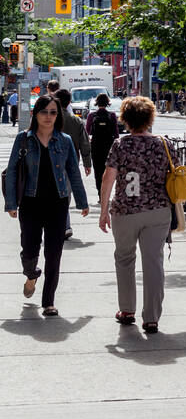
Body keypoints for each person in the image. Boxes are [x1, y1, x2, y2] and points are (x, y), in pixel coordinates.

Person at [4, 94, 89, 315]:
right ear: (35, 114)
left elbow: (73, 172)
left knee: (54, 253)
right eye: (44, 112)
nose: (49, 117)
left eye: (53, 112)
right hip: (30, 204)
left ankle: (49, 301)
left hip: (57, 204)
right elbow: (12, 171)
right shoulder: (24, 139)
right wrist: (11, 203)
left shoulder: (64, 141)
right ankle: (31, 275)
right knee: (29, 249)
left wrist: (82, 201)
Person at [99, 96, 177, 332]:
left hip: (125, 210)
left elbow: (108, 178)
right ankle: (151, 317)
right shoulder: (164, 144)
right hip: (157, 210)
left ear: (125, 120)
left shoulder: (120, 145)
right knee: (153, 262)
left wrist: (104, 211)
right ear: (150, 118)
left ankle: (127, 310)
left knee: (124, 259)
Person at [54, 88, 93, 240]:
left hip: (50, 162)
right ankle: (65, 225)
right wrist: (87, 163)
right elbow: (85, 143)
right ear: (69, 102)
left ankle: (62, 225)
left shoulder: (49, 118)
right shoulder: (76, 120)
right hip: (71, 162)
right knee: (66, 195)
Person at [85, 93, 120, 194]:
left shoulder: (92, 115)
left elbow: (86, 132)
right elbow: (116, 134)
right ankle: (107, 193)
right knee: (108, 170)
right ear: (107, 103)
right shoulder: (112, 115)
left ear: (97, 103)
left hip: (96, 145)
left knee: (98, 171)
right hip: (109, 146)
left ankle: (100, 194)